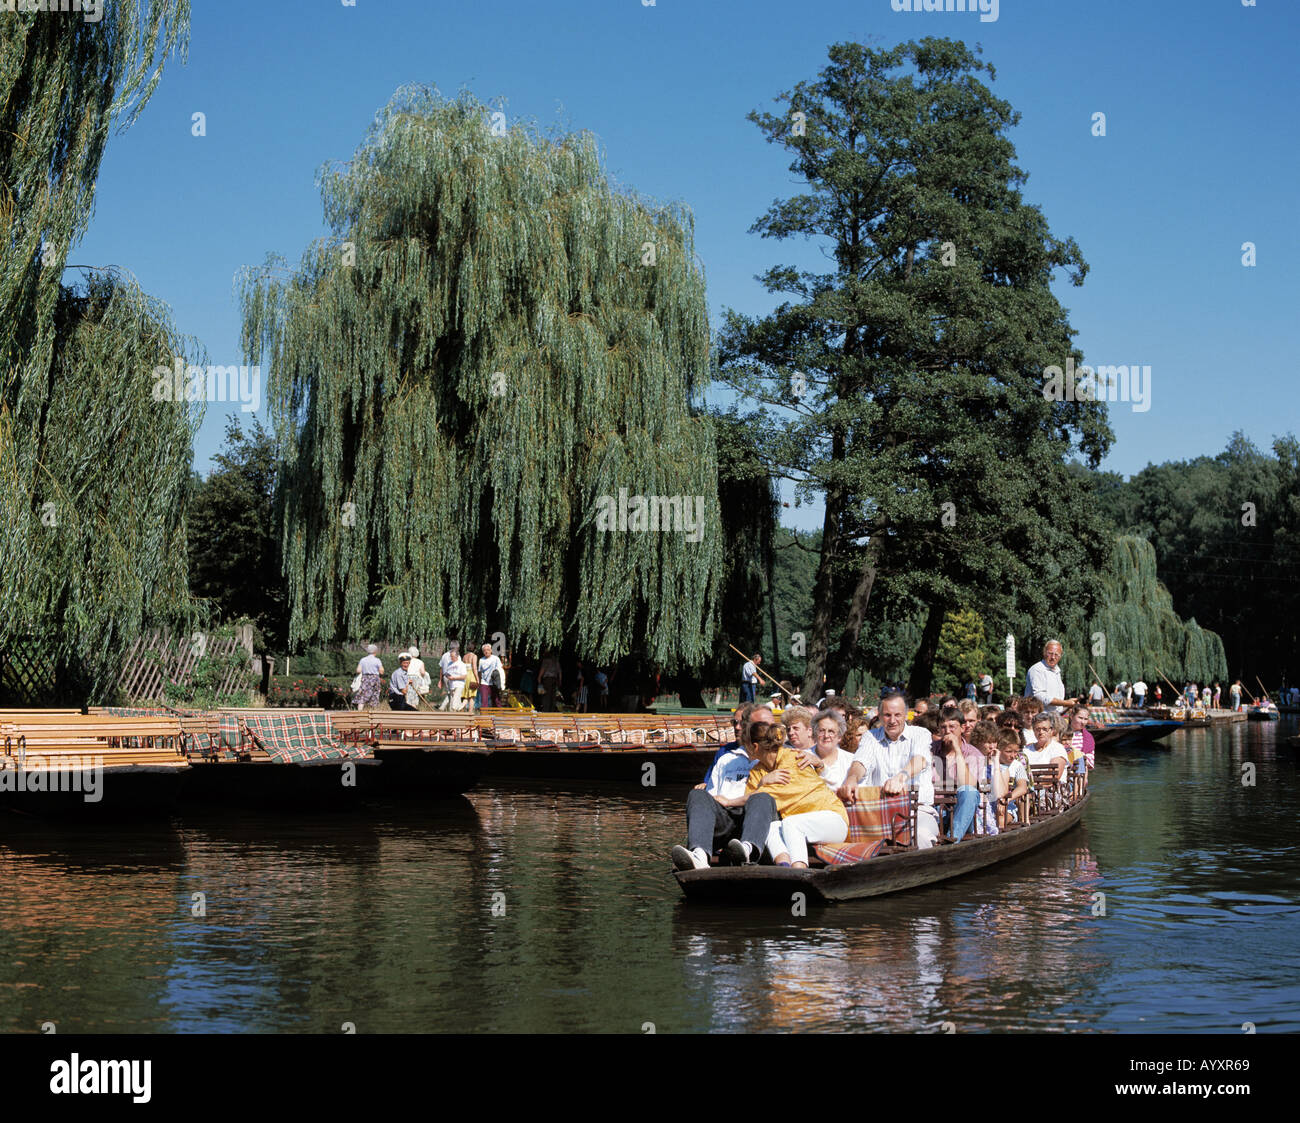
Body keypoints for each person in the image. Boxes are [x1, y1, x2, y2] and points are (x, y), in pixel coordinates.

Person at [671, 703, 779, 870]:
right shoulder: (727, 759)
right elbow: (712, 797)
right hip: (726, 819)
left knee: (762, 797)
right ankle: (699, 855)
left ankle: (747, 850)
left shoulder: (780, 757)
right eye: (759, 726)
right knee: (697, 794)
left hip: (758, 822)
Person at [838, 690, 940, 850]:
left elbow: (920, 759)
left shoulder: (920, 734)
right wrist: (851, 779)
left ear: (907, 715)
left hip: (917, 810)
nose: (892, 720)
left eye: (897, 715)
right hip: (879, 810)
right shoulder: (870, 737)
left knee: (922, 836)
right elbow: (860, 762)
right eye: (887, 715)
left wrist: (901, 777)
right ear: (879, 716)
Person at [744, 721, 848, 868]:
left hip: (833, 820)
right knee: (771, 826)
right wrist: (762, 783)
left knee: (791, 823)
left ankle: (799, 871)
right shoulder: (757, 771)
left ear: (754, 746)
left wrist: (727, 802)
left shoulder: (794, 759)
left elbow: (760, 796)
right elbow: (753, 802)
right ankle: (784, 865)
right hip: (802, 826)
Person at [807, 709, 855, 793]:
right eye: (821, 731)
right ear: (815, 733)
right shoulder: (805, 756)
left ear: (839, 737)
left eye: (831, 731)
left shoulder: (851, 760)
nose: (826, 735)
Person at [1023, 639, 1077, 713]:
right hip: (1038, 718)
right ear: (1044, 653)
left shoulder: (1057, 671)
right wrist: (1066, 703)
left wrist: (1067, 704)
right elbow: (1039, 697)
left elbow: (1056, 704)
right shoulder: (1037, 669)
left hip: (1053, 717)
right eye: (1050, 653)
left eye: (1056, 654)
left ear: (1060, 656)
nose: (1053, 657)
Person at [994, 728, 1031, 828]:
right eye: (1009, 751)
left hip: (1007, 805)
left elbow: (1022, 787)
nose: (1013, 755)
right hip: (989, 804)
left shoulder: (1017, 766)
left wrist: (1006, 800)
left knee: (1000, 822)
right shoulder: (990, 764)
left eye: (1016, 752)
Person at [354, 644, 384, 710]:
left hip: (365, 679)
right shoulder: (377, 660)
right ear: (375, 651)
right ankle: (373, 714)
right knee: (374, 696)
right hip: (374, 679)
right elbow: (381, 671)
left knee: (362, 696)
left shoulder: (363, 660)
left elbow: (358, 670)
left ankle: (359, 712)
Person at [477, 644, 504, 709]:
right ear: (483, 652)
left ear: (491, 650)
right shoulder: (481, 660)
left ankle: (499, 716)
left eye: (488, 650)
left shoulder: (496, 658)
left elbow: (500, 670)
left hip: (494, 683)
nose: (486, 652)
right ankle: (484, 718)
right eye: (484, 650)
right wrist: (479, 683)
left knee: (497, 701)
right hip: (484, 683)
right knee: (484, 702)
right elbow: (479, 672)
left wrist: (501, 683)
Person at [437, 642, 461, 710]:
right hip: (453, 677)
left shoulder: (444, 655)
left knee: (450, 693)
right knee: (454, 694)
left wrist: (440, 679)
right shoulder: (457, 656)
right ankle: (452, 710)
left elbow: (441, 668)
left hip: (445, 676)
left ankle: (442, 707)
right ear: (456, 647)